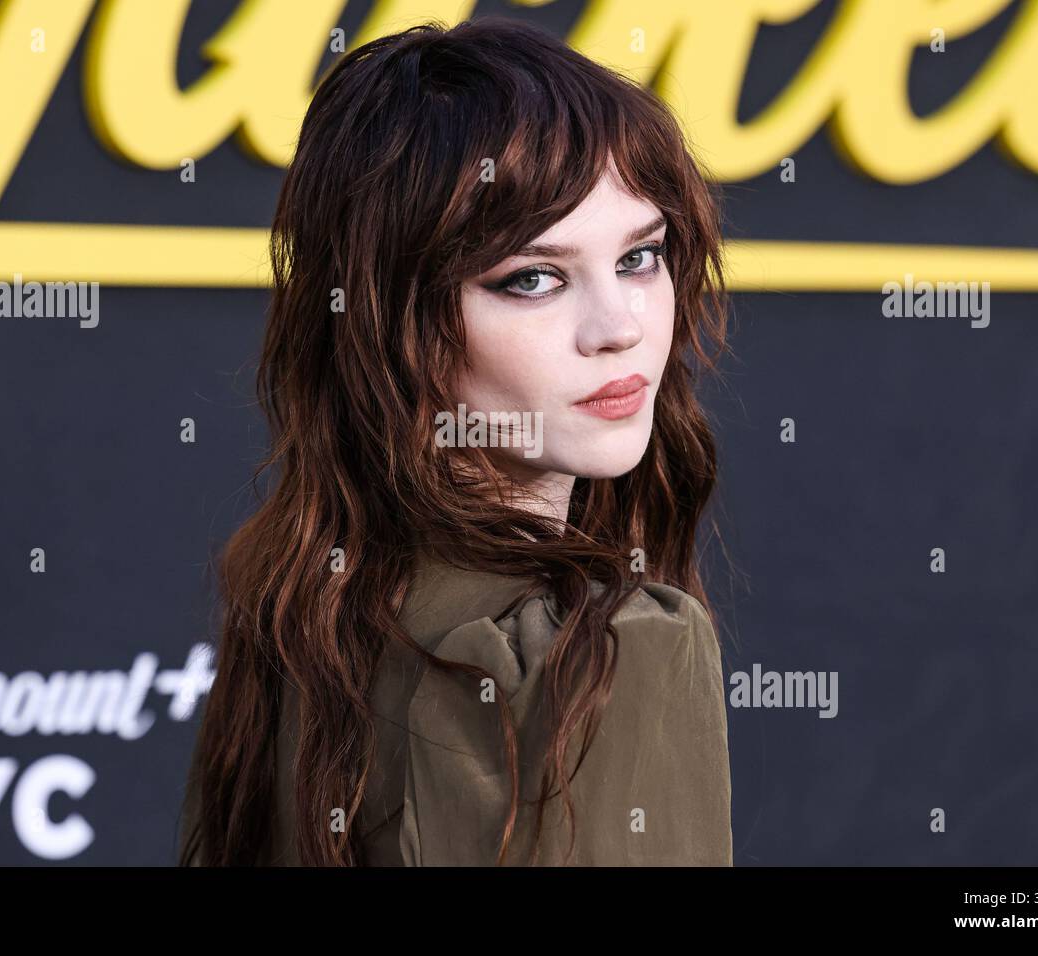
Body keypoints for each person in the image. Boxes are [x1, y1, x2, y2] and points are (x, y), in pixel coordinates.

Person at [179, 15, 733, 866]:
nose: (619, 328)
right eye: (532, 278)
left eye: (639, 257)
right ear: (396, 326)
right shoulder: (611, 650)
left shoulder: (304, 609)